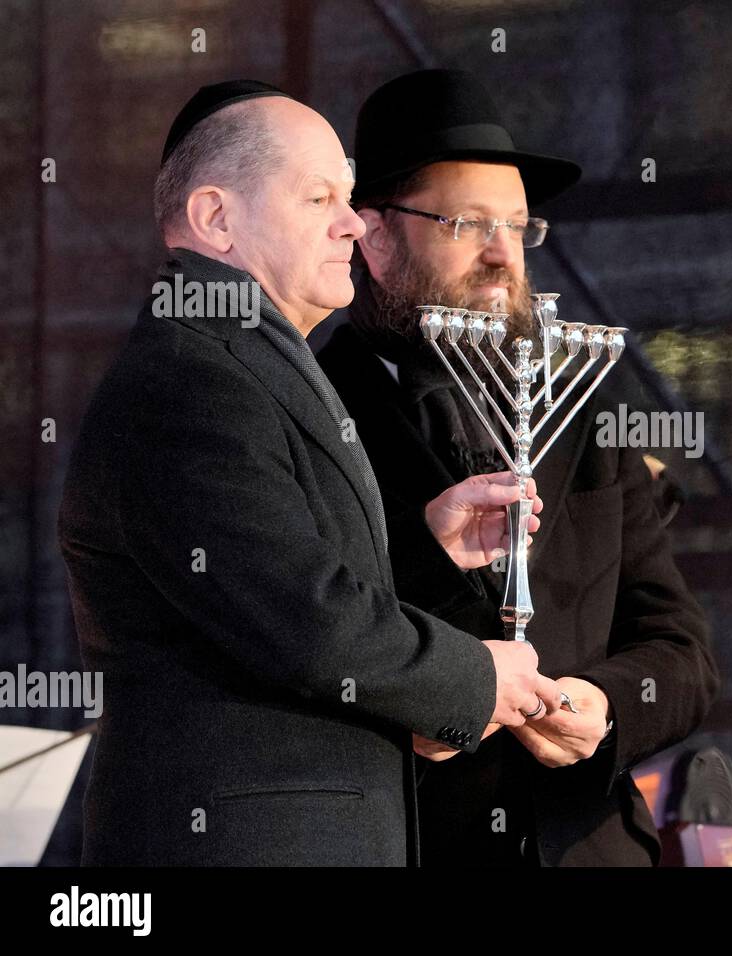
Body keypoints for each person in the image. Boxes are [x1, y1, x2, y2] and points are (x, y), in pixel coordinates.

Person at [58, 80, 561, 865]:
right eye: (319, 196)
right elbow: (302, 619)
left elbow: (268, 589)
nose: (353, 223)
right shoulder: (193, 376)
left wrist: (422, 553)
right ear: (215, 218)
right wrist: (475, 678)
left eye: (352, 196)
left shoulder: (244, 360)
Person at [316, 69, 719, 866]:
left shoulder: (580, 406)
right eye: (468, 224)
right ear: (376, 235)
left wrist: (604, 708)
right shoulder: (314, 413)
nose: (504, 256)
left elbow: (684, 652)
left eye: (519, 227)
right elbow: (315, 646)